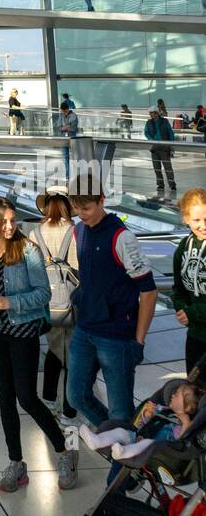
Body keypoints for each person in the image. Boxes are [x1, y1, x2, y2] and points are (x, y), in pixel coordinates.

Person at [0, 198, 78, 492]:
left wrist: (10, 302)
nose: (9, 227)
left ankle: (62, 451)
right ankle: (16, 463)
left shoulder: (28, 250)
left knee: (27, 398)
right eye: (3, 222)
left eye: (13, 220)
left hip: (24, 333)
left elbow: (43, 293)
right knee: (4, 398)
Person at [67, 183, 158, 432]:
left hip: (117, 336)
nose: (81, 214)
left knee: (121, 411)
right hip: (85, 330)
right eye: (77, 208)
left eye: (86, 207)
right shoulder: (79, 231)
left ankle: (123, 449)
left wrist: (139, 341)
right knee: (76, 395)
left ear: (101, 200)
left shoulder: (123, 237)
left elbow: (148, 290)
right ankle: (117, 439)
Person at [29, 192, 79, 422]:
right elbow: (79, 272)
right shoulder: (75, 232)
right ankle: (69, 411)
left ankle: (49, 400)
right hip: (70, 304)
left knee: (54, 349)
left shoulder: (35, 233)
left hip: (46, 305)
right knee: (72, 354)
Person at [80, 379, 203, 459]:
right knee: (121, 432)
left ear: (187, 407)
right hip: (137, 436)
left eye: (176, 395)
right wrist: (147, 415)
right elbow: (143, 421)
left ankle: (124, 452)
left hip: (154, 451)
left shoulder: (180, 426)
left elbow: (182, 441)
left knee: (148, 443)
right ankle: (97, 441)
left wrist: (185, 419)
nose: (172, 395)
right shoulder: (162, 409)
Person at [172, 188, 206, 373]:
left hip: (197, 321)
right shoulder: (184, 247)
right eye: (197, 220)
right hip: (195, 336)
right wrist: (181, 308)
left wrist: (192, 313)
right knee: (193, 393)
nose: (203, 225)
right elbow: (178, 288)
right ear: (186, 219)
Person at [145, 106, 176, 192]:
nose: (151, 115)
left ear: (156, 113)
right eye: (150, 114)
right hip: (154, 147)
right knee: (157, 167)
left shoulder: (164, 121)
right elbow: (146, 132)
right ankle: (160, 184)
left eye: (152, 113)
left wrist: (171, 145)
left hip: (164, 147)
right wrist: (151, 140)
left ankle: (172, 184)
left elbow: (170, 132)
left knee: (168, 167)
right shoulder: (149, 122)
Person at [59, 101, 78, 179]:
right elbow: (59, 127)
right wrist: (66, 127)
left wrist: (65, 127)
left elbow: (73, 128)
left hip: (72, 138)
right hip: (64, 139)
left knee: (74, 157)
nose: (63, 113)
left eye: (64, 112)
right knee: (65, 157)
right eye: (62, 112)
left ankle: (75, 175)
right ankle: (68, 176)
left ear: (66, 110)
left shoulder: (73, 116)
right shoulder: (61, 116)